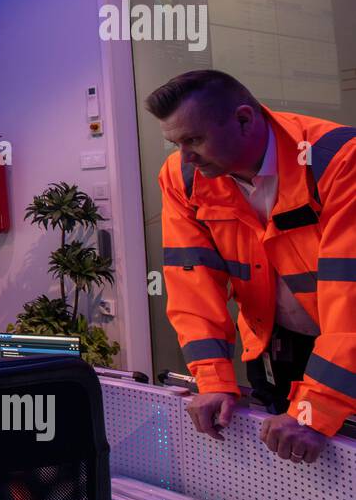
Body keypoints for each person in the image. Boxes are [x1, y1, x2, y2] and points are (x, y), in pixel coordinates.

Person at [146, 69, 356, 464]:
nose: (184, 156)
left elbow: (352, 295)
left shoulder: (338, 161)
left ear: (244, 119)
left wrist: (319, 405)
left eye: (194, 140)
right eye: (175, 143)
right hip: (277, 346)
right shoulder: (183, 178)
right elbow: (192, 285)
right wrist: (212, 380)